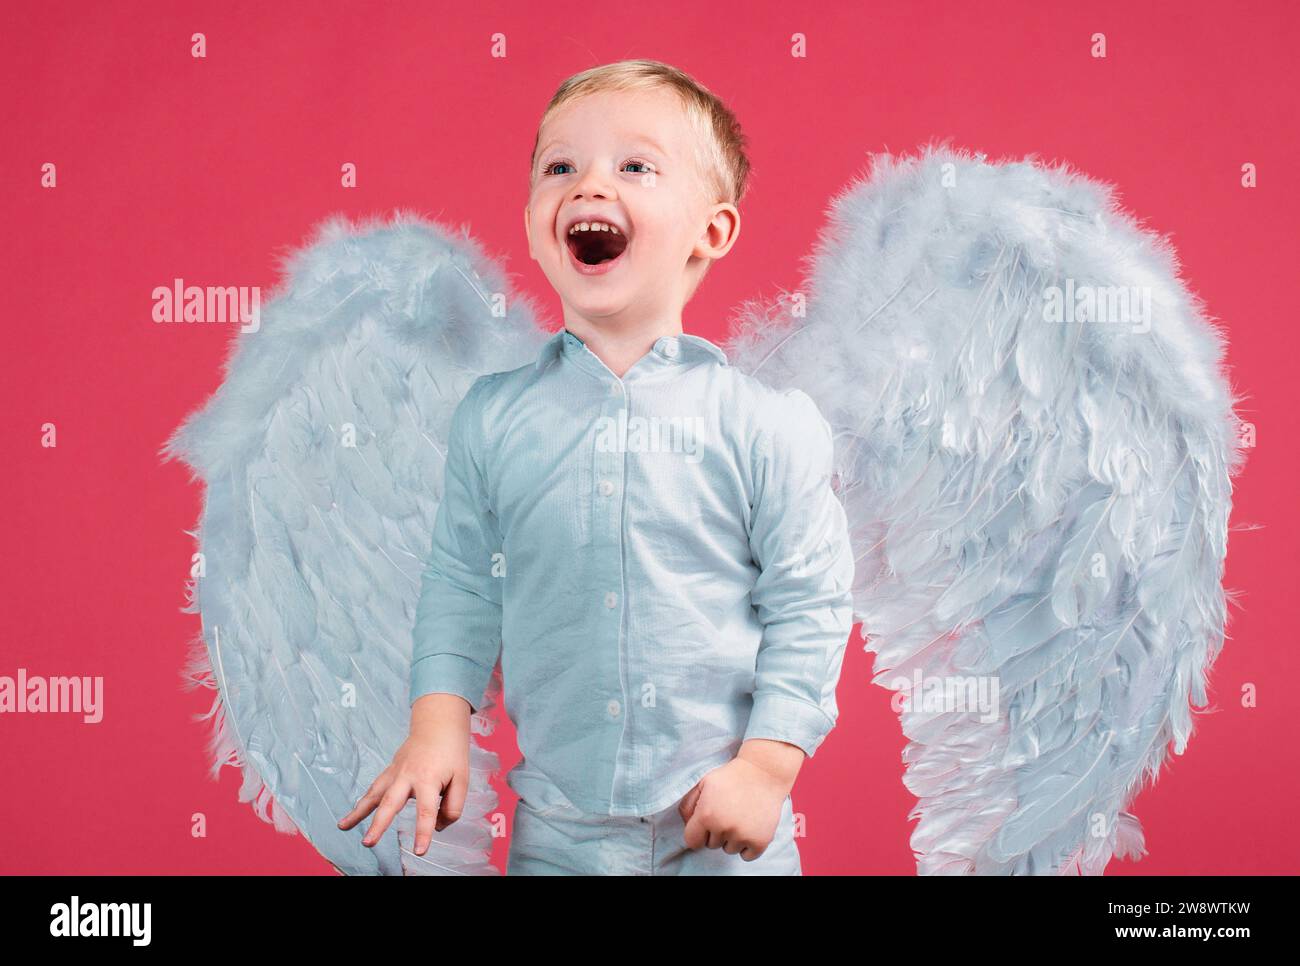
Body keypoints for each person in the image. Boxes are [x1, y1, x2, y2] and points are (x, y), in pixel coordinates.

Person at [338, 58, 855, 875]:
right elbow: (463, 584)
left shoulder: (764, 426)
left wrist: (766, 767)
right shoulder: (493, 419)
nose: (588, 186)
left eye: (635, 166)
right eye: (560, 167)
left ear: (711, 232)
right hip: (558, 832)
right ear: (534, 219)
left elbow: (809, 604)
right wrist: (438, 724)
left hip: (721, 827)